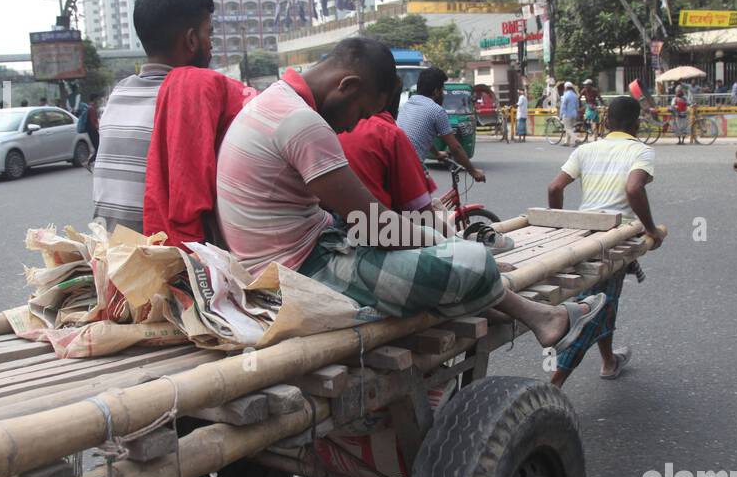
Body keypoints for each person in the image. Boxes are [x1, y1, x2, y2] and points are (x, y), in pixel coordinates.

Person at [215, 36, 606, 350]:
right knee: (473, 261)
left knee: (449, 257)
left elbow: (371, 226)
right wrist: (444, 245)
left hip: (288, 255)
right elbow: (378, 227)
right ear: (347, 86)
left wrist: (433, 245)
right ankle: (541, 316)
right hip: (300, 270)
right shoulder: (302, 122)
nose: (355, 126)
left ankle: (537, 316)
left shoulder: (273, 102)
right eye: (362, 112)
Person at [100, 0, 247, 241]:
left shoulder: (119, 92)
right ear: (191, 40)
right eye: (209, 33)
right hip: (160, 257)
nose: (211, 44)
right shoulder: (195, 96)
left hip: (112, 245)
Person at [545, 95, 662, 386]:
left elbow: (555, 187)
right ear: (637, 123)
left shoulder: (587, 149)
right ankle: (555, 383)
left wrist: (561, 226)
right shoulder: (641, 151)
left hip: (583, 236)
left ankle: (609, 361)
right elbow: (634, 189)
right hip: (613, 242)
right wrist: (651, 230)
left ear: (606, 121)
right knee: (593, 310)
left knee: (605, 301)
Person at [337, 77, 436, 215]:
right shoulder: (390, 134)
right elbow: (420, 209)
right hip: (377, 226)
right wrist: (447, 235)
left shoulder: (339, 124)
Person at [396, 66, 484, 182]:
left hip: (396, 164)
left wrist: (437, 153)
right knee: (427, 196)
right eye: (442, 90)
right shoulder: (436, 110)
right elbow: (455, 148)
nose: (443, 94)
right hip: (411, 169)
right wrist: (473, 171)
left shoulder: (408, 105)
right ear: (436, 92)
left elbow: (420, 138)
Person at [558, 81, 580, 146]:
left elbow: (563, 106)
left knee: (567, 128)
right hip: (574, 114)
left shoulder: (566, 95)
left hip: (567, 114)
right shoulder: (575, 95)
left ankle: (576, 139)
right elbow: (577, 106)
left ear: (566, 88)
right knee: (570, 128)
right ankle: (567, 142)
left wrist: (561, 115)